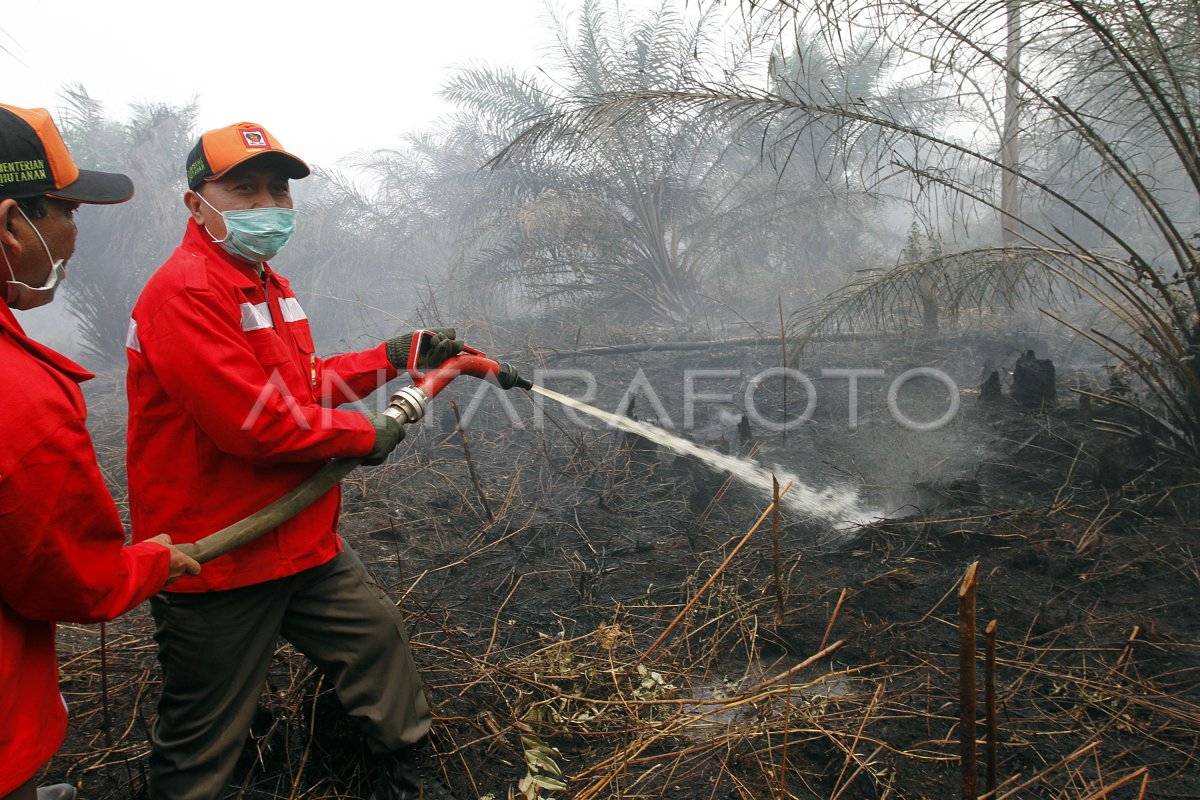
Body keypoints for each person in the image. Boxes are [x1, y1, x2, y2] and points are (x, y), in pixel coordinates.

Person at [124, 121, 462, 800]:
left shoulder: (268, 284)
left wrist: (392, 358)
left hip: (302, 541)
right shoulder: (187, 291)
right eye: (243, 190)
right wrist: (363, 436)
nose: (267, 205)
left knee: (375, 643)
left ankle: (405, 775)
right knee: (203, 736)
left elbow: (300, 388)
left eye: (276, 190)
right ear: (197, 204)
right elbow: (252, 423)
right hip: (217, 554)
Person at [0, 104, 201, 800]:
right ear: (10, 223)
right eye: (67, 213)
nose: (74, 236)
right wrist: (149, 562)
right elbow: (71, 578)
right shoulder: (19, 394)